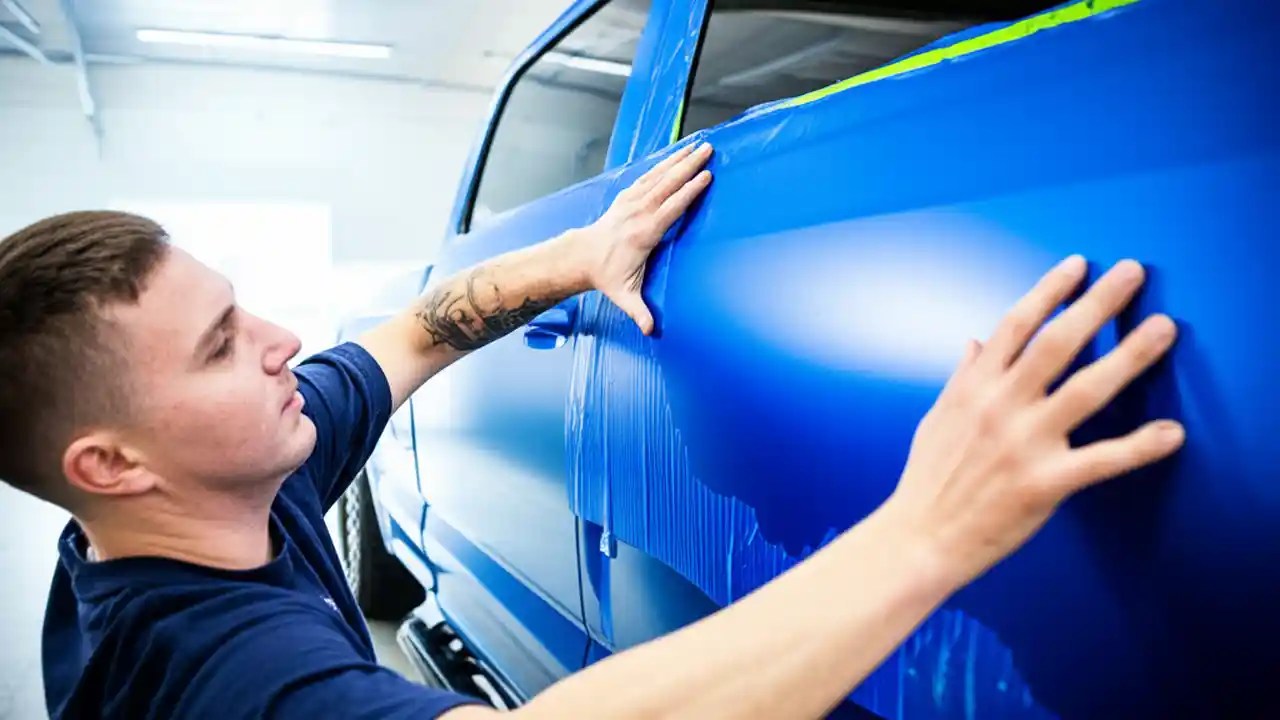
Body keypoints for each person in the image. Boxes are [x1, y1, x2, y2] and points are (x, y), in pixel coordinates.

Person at [0, 142, 1182, 720]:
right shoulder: (213, 678)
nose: (280, 337)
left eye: (237, 302)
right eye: (218, 345)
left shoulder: (222, 485)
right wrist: (929, 529)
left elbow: (418, 330)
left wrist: (586, 251)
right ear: (110, 466)